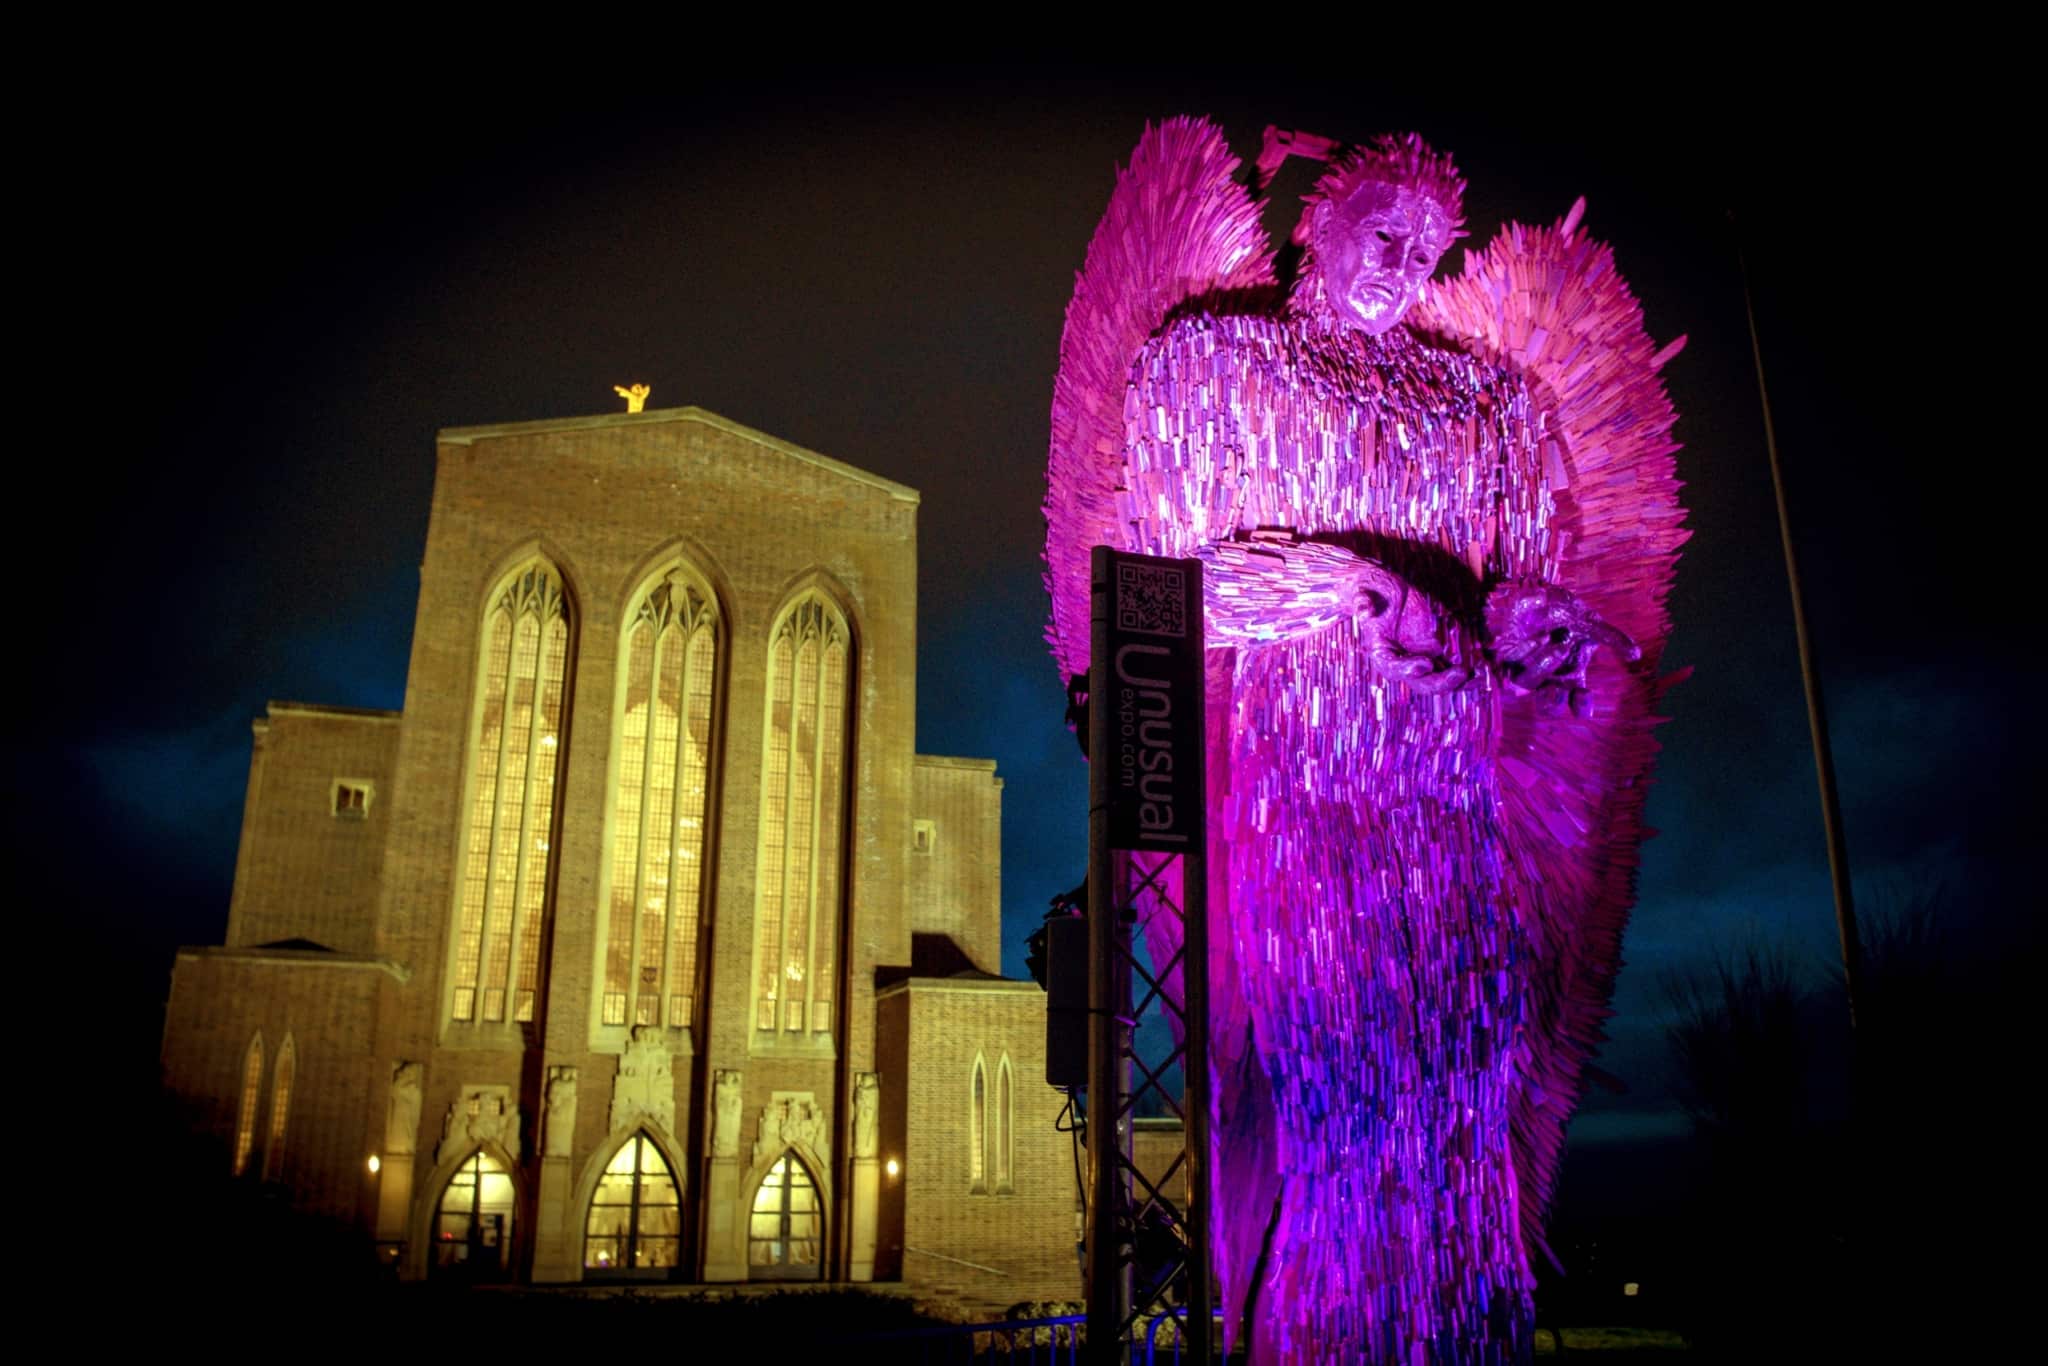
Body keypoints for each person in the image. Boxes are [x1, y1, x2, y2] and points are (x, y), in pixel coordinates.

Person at [1044, 119, 1684, 1362]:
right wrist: (1337, 587)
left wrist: (1533, 625)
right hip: (1299, 800)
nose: (1404, 260)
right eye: (1382, 231)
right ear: (1317, 222)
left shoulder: (1488, 405)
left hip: (1451, 801)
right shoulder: (1211, 363)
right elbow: (1161, 596)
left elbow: (1508, 601)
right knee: (1341, 1094)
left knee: (1464, 1090)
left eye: (1428, 246)